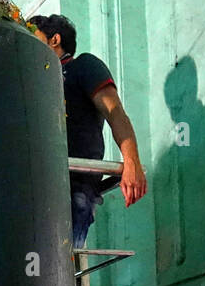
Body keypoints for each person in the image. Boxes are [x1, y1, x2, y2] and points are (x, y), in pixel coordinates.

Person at [29, 14, 147, 248]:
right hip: (35, 187)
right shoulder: (31, 82)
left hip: (75, 185)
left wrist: (131, 162)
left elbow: (115, 113)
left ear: (55, 40)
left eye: (33, 38)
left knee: (60, 261)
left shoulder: (82, 66)